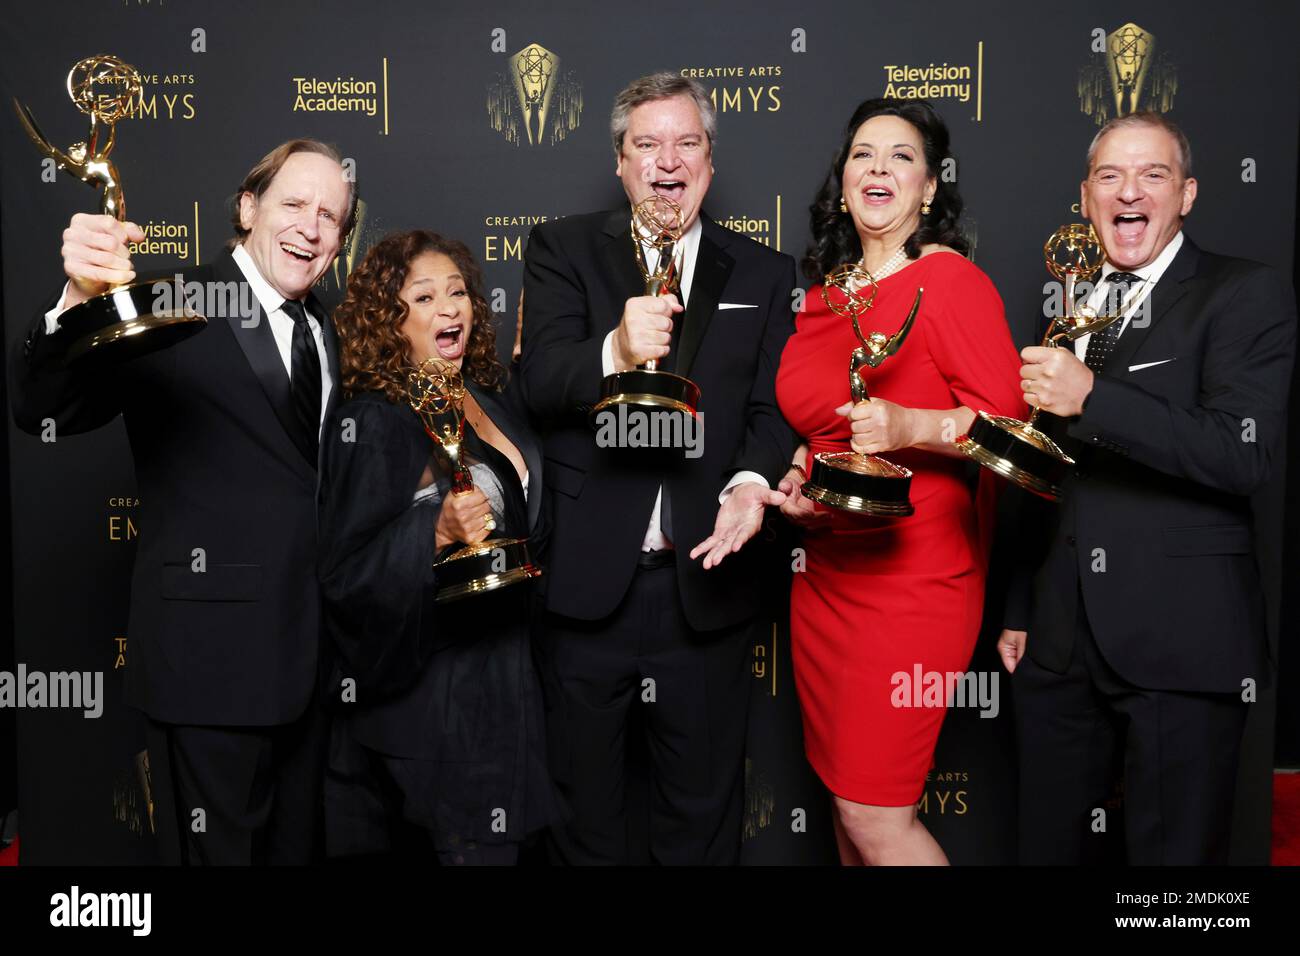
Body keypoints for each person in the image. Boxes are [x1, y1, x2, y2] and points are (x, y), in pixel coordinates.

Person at [9, 139, 356, 864]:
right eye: (294, 204)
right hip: (207, 669)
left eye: (331, 215)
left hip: (312, 669)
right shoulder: (168, 304)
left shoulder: (327, 329)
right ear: (247, 207)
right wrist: (74, 304)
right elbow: (47, 407)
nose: (311, 227)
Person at [999, 111, 1297, 865]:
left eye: (1152, 175)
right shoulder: (1073, 307)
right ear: (1086, 194)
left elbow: (1240, 454)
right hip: (1060, 645)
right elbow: (1043, 468)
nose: (1129, 192)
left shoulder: (1243, 294)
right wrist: (1021, 606)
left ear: (1187, 194)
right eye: (1110, 176)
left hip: (1182, 642)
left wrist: (1092, 396)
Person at [520, 72, 797, 864]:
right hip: (584, 590)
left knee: (702, 822)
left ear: (710, 160)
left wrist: (749, 485)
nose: (667, 161)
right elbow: (538, 385)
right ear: (620, 161)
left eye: (686, 143)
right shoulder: (563, 248)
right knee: (583, 823)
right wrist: (614, 350)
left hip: (704, 592)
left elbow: (773, 412)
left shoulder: (765, 273)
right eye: (647, 144)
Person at [774, 98, 1024, 865]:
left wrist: (912, 426)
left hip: (916, 579)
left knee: (874, 813)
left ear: (929, 190)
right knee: (850, 812)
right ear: (841, 180)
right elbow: (819, 427)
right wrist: (793, 475)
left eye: (901, 155)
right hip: (825, 576)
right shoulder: (825, 297)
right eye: (862, 154)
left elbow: (1013, 432)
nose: (877, 167)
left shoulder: (950, 283)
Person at [317, 230, 553, 865]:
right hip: (435, 707)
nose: (450, 309)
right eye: (423, 298)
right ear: (388, 322)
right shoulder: (374, 420)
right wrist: (436, 531)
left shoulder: (486, 397)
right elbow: (344, 577)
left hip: (511, 685)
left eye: (458, 293)